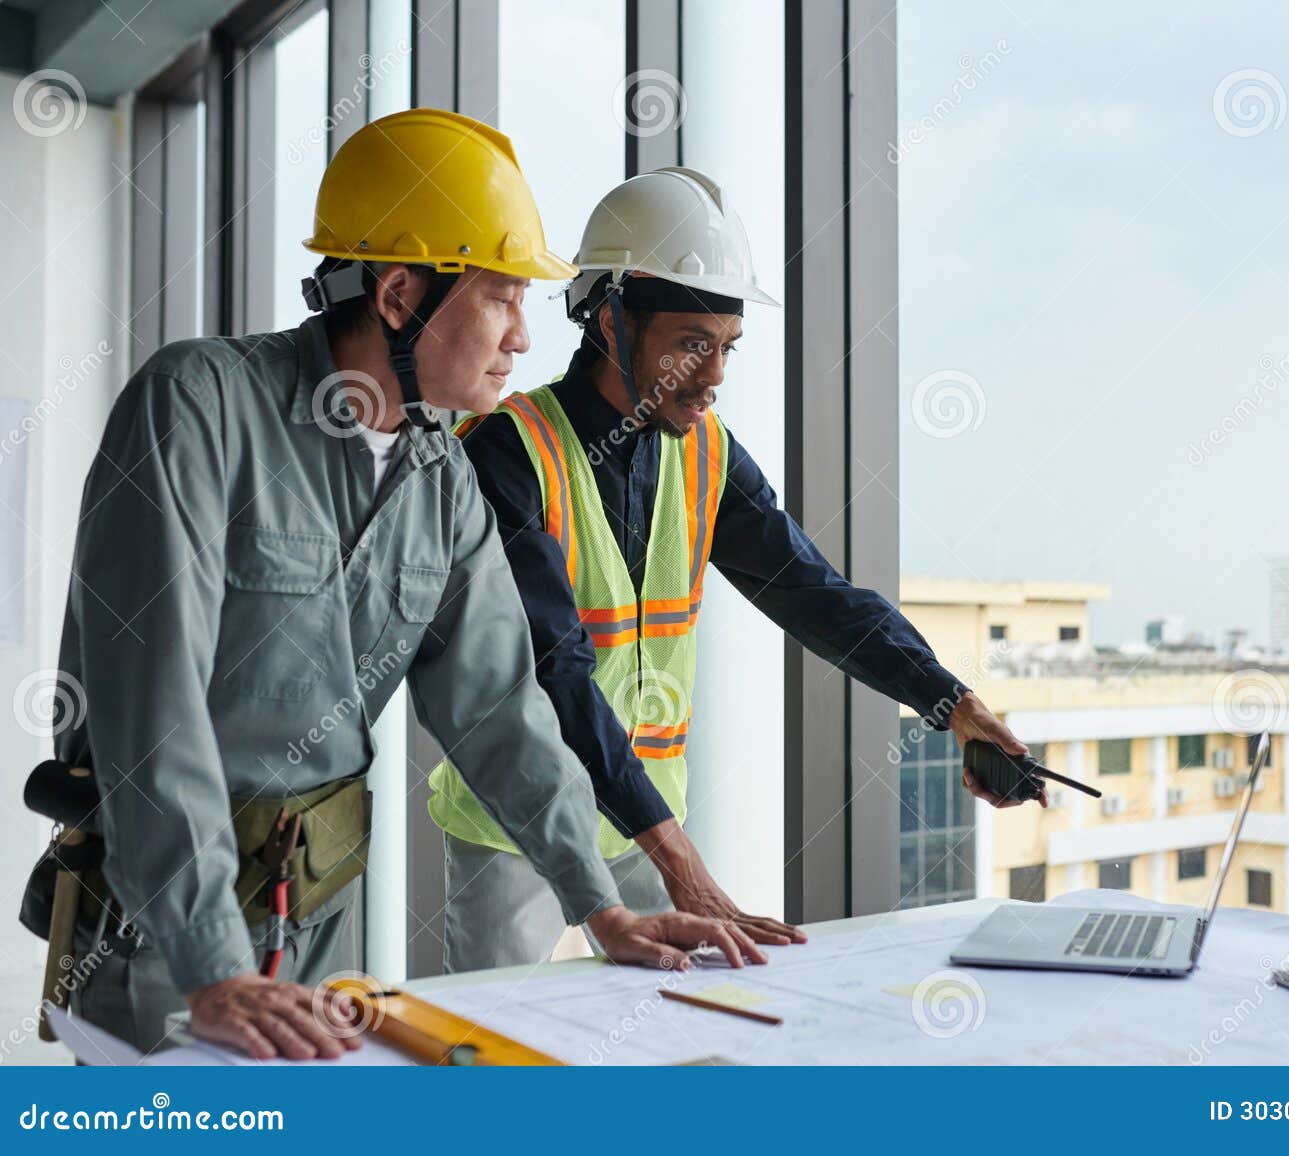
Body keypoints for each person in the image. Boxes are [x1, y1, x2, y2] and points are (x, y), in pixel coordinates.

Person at [34, 113, 761, 1061]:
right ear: (401, 292)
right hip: (164, 941)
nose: (520, 336)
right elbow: (151, 714)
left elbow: (503, 712)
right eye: (501, 296)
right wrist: (213, 964)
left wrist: (602, 907)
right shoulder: (198, 406)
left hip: (319, 922)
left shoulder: (442, 478)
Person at [428, 167, 1032, 971]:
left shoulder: (705, 453)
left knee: (671, 1020)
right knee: (500, 1048)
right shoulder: (508, 453)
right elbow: (556, 669)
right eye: (690, 345)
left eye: (725, 348)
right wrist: (684, 866)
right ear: (609, 323)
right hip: (517, 823)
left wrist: (955, 704)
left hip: (645, 815)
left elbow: (813, 593)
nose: (714, 375)